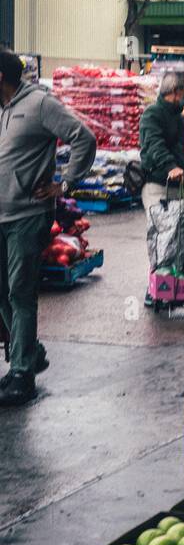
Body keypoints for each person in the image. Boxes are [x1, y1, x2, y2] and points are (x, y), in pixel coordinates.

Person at [0, 51, 96, 405]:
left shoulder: (40, 105)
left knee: (20, 292)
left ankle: (22, 374)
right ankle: (31, 351)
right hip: (0, 215)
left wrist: (65, 184)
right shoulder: (2, 109)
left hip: (27, 215)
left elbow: (83, 137)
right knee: (3, 293)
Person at [139, 68, 184, 305]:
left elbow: (180, 149)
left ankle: (172, 288)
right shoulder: (152, 115)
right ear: (175, 92)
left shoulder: (179, 119)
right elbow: (154, 145)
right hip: (157, 185)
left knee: (180, 238)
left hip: (179, 186)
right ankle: (154, 290)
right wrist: (170, 166)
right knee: (161, 237)